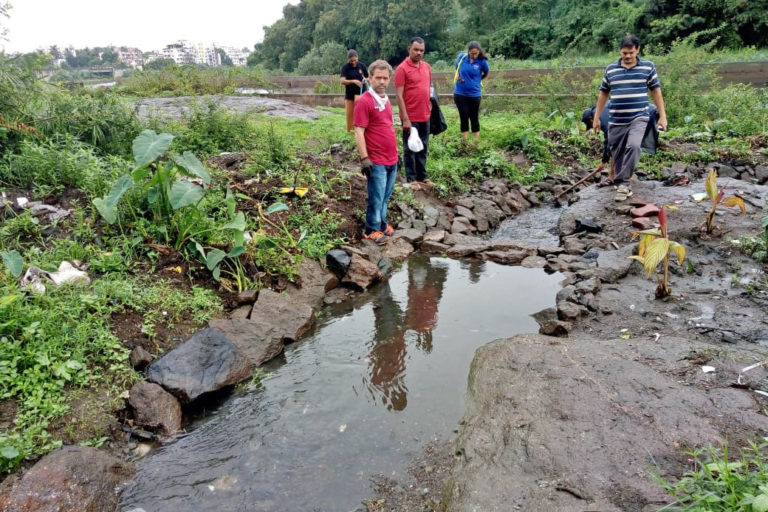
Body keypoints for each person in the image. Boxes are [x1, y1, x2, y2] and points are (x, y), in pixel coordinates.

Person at [593, 34, 668, 186]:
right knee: (617, 153)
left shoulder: (648, 67)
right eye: (624, 53)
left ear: (638, 50)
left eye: (631, 53)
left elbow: (656, 91)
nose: (627, 56)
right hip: (616, 120)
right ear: (619, 51)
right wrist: (596, 118)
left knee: (634, 146)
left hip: (639, 116)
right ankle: (620, 181)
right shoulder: (611, 70)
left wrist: (663, 116)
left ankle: (623, 182)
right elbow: (603, 94)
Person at [354, 59, 399, 245]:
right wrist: (364, 158)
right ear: (370, 78)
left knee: (385, 197)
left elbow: (389, 127)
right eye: (378, 77)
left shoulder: (385, 101)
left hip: (391, 159)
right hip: (376, 160)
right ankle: (371, 229)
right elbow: (359, 131)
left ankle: (382, 224)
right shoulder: (365, 101)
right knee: (376, 197)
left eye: (385, 78)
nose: (382, 81)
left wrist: (397, 153)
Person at [582, 101, 659, 182]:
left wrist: (604, 162)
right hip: (644, 113)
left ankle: (621, 176)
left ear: (591, 119)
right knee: (621, 145)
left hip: (647, 114)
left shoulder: (601, 116)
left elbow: (611, 142)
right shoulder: (600, 111)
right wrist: (604, 161)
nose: (593, 127)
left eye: (590, 125)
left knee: (628, 146)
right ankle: (617, 174)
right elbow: (607, 140)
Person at [395, 37, 433, 190]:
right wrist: (405, 118)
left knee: (423, 146)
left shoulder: (426, 67)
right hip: (410, 116)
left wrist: (430, 106)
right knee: (410, 148)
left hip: (425, 115)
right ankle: (411, 178)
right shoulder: (402, 69)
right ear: (409, 49)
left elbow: (429, 87)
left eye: (422, 50)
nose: (419, 53)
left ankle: (422, 176)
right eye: (416, 49)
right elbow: (399, 95)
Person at [453, 41, 489, 141]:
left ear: (479, 52)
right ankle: (465, 142)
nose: (474, 56)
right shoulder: (462, 57)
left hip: (474, 94)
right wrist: (458, 76)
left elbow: (486, 72)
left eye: (476, 53)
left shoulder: (482, 61)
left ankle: (476, 142)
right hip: (460, 93)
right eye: (472, 53)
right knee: (463, 117)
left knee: (474, 117)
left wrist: (478, 80)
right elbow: (456, 68)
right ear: (468, 51)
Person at [340, 50, 368, 133]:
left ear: (357, 57)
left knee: (360, 113)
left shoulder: (362, 66)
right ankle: (350, 131)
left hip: (361, 93)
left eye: (355, 60)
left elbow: (368, 77)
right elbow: (342, 81)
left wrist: (365, 80)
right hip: (350, 94)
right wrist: (354, 81)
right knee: (350, 114)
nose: (353, 62)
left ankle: (361, 130)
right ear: (348, 59)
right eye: (351, 61)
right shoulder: (345, 68)